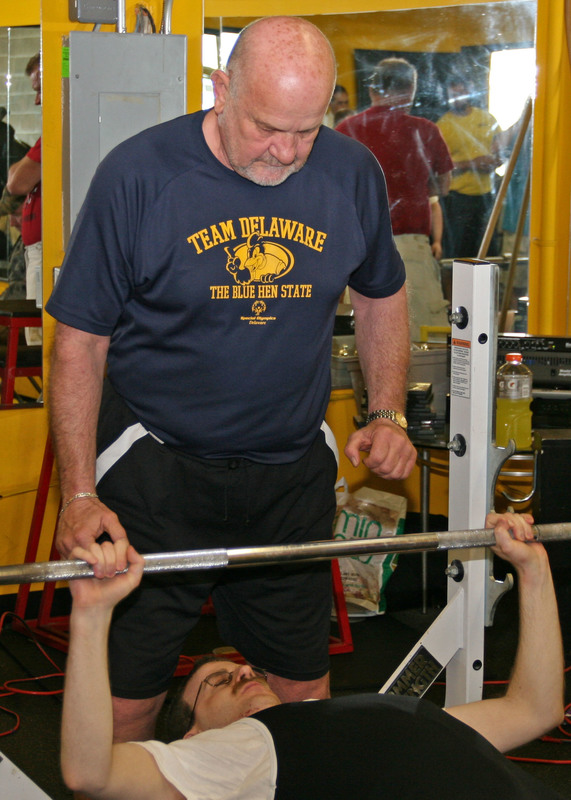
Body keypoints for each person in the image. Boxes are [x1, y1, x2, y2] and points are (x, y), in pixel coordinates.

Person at [45, 16, 417, 745]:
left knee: (303, 693)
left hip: (287, 472)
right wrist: (79, 494)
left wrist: (387, 412)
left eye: (306, 130)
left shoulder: (349, 172)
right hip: (157, 470)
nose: (287, 151)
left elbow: (381, 293)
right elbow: (79, 342)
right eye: (268, 128)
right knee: (125, 706)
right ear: (222, 90)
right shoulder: (140, 174)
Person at [60, 511, 566, 799]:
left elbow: (534, 710)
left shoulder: (358, 717)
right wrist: (91, 615)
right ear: (193, 737)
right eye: (215, 682)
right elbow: (89, 775)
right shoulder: (231, 754)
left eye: (240, 668)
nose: (243, 670)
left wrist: (533, 569)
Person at [336, 58, 453, 341]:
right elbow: (444, 186)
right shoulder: (426, 130)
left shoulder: (346, 130)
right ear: (411, 89)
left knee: (364, 340)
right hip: (411, 248)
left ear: (373, 89)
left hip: (359, 248)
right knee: (424, 339)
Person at [436, 78, 504, 259]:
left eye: (462, 93)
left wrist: (494, 161)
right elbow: (439, 168)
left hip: (486, 197)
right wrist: (472, 164)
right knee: (458, 254)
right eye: (454, 94)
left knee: (487, 253)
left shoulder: (486, 118)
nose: (458, 98)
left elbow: (500, 152)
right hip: (457, 199)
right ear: (447, 96)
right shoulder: (442, 126)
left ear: (470, 92)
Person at [6, 52, 42, 345]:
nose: (37, 101)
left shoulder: (55, 136)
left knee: (40, 341)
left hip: (45, 252)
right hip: (35, 251)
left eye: (40, 90)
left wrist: (20, 173)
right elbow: (14, 174)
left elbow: (17, 183)